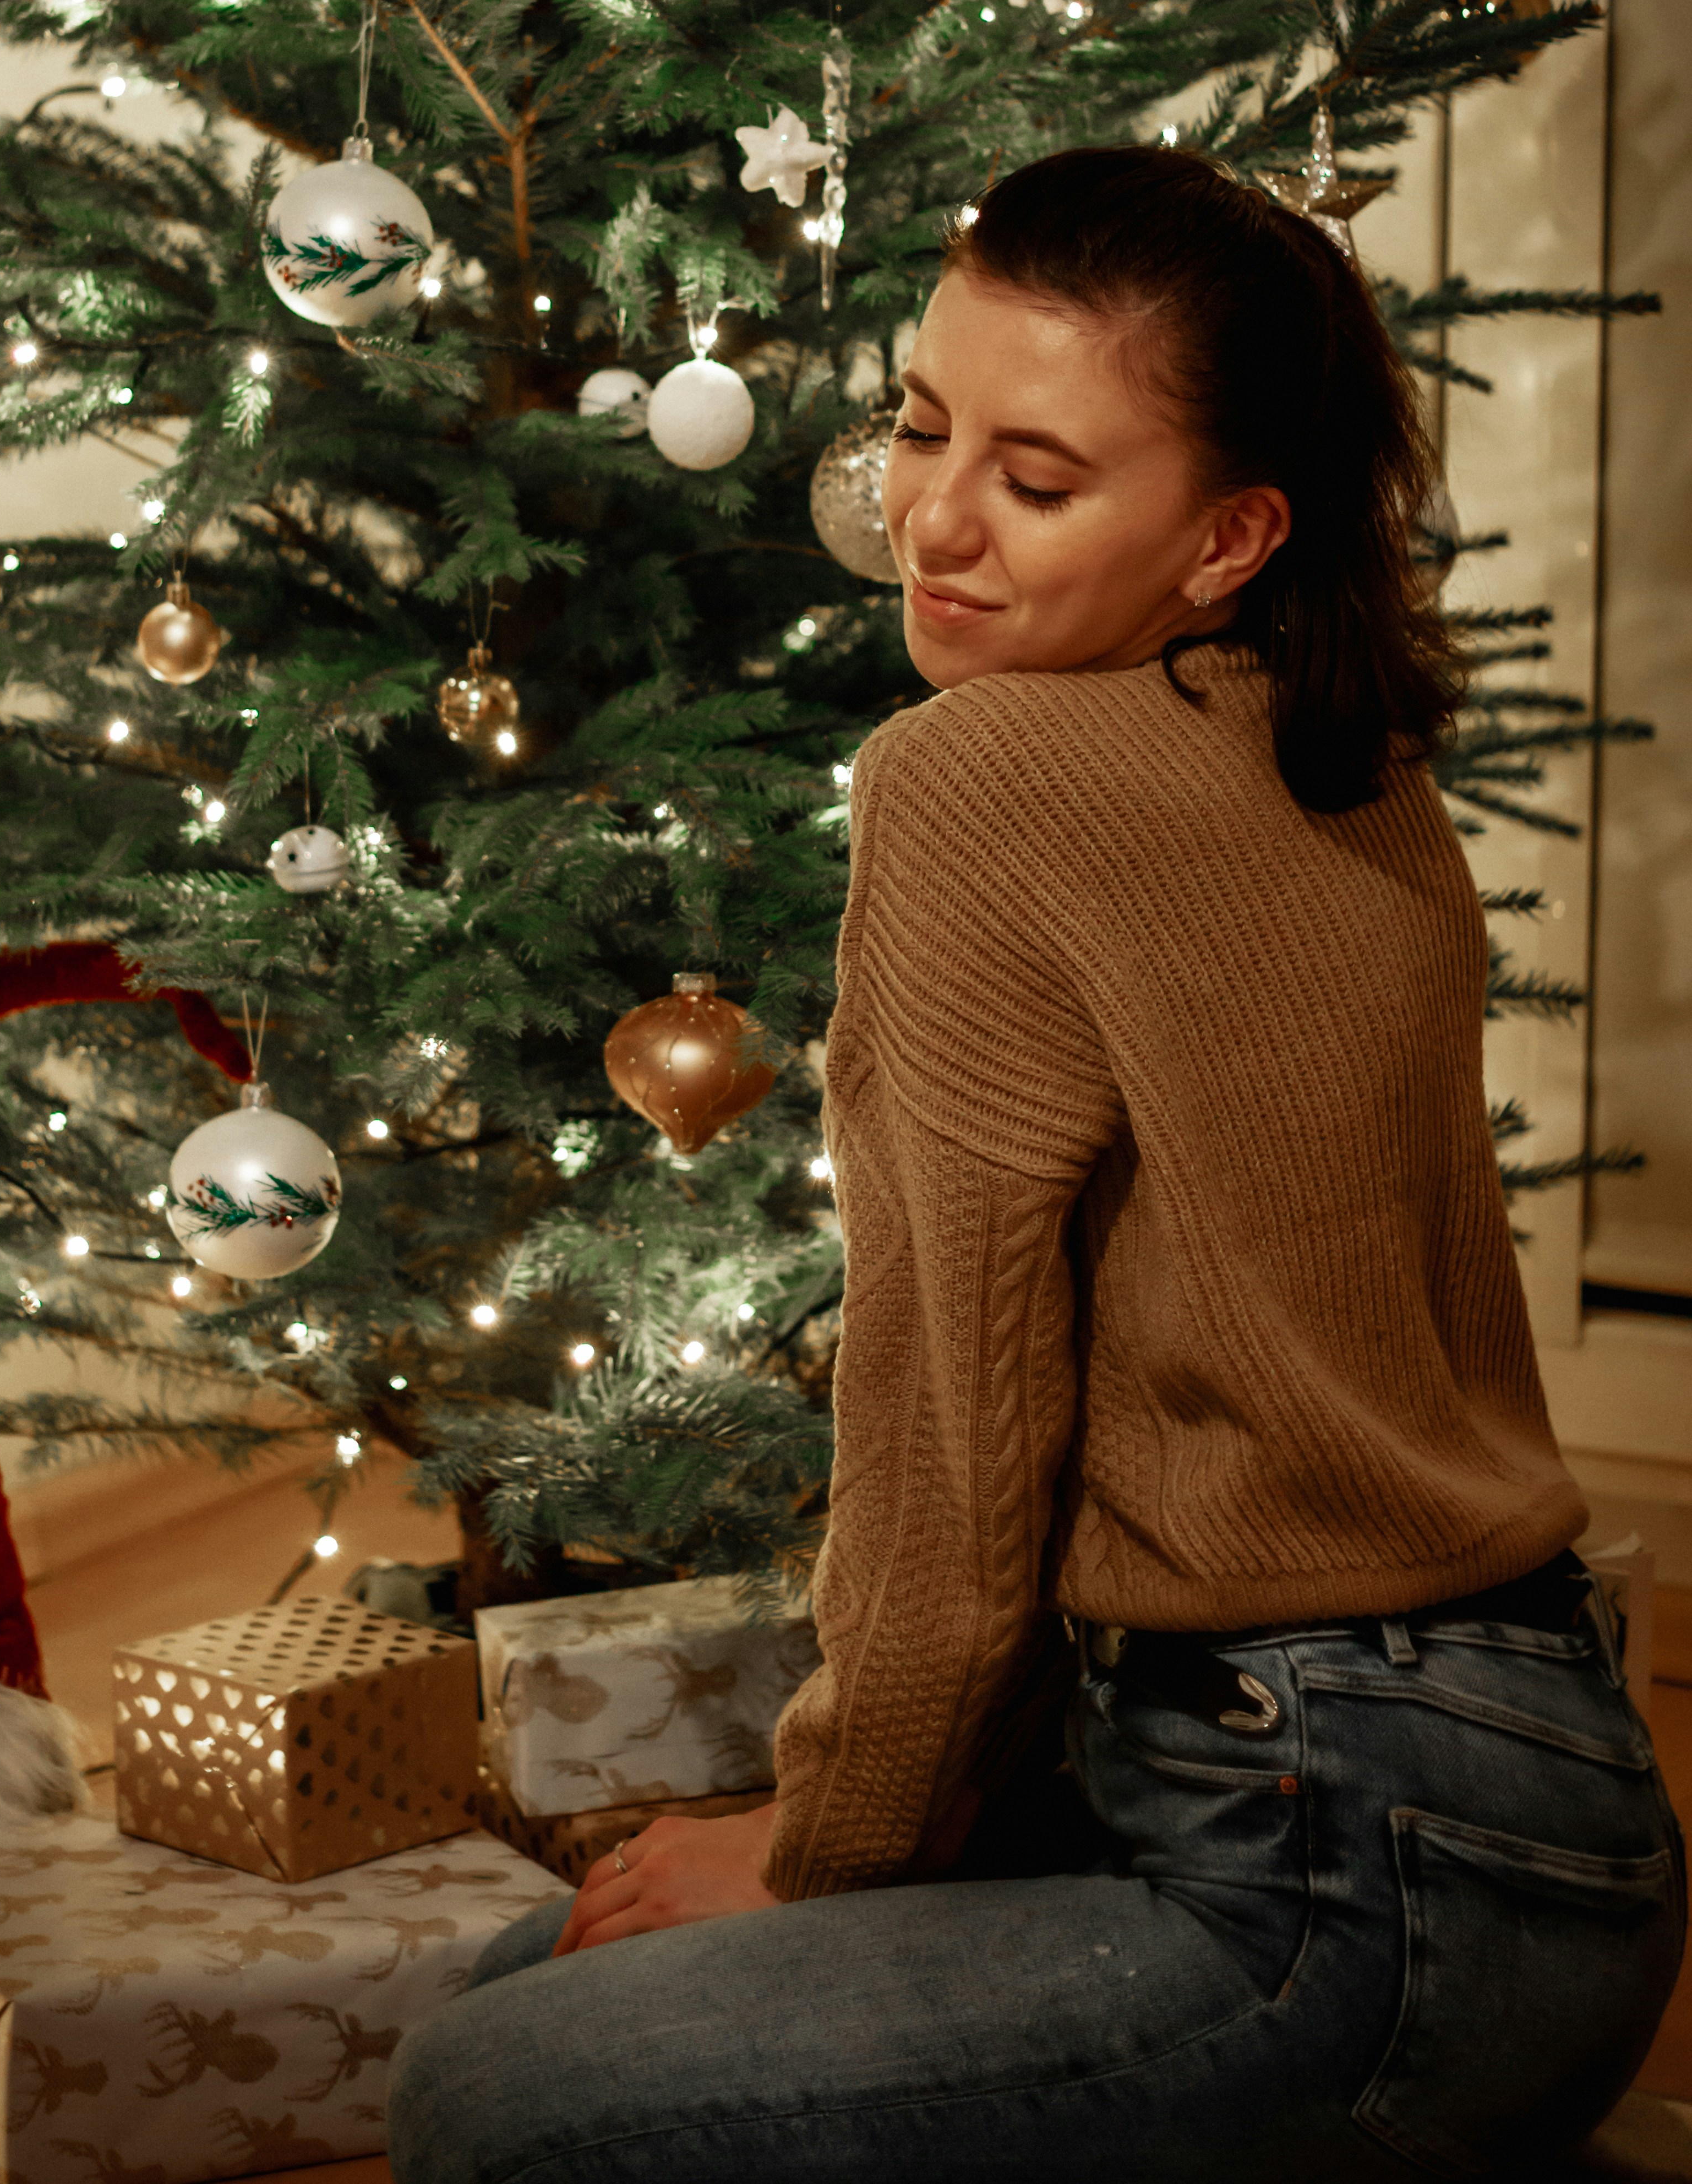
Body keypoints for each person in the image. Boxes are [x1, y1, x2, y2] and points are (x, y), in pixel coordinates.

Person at [389, 146, 1684, 2183]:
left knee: (488, 2101)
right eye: (919, 426)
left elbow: (951, 1436)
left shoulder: (980, 772)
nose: (932, 518)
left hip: (1329, 1870)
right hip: (1526, 1801)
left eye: (1041, 478)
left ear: (1228, 535)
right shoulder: (1346, 749)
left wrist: (825, 1851)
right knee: (540, 1998)